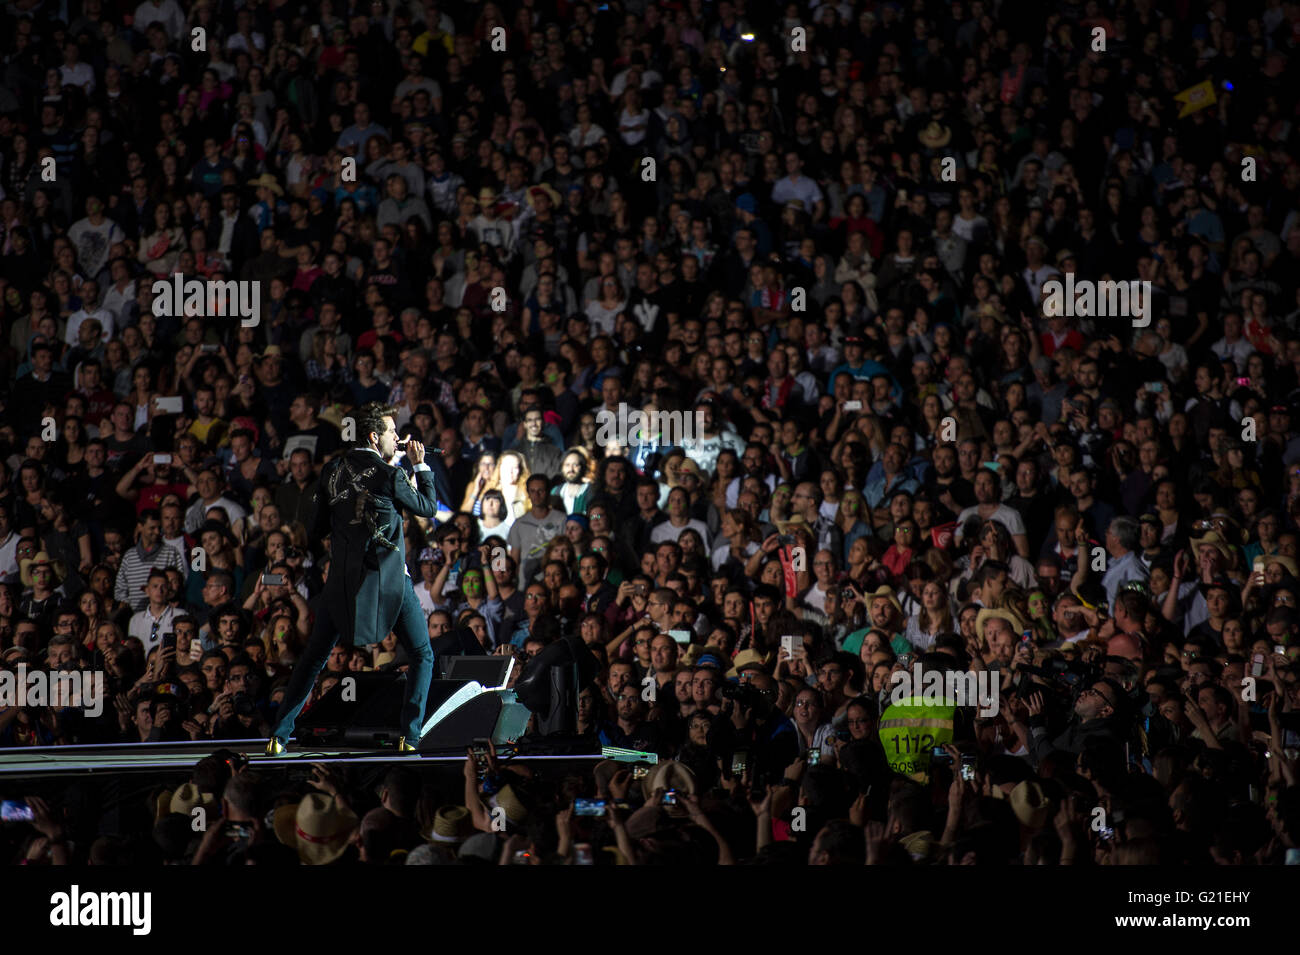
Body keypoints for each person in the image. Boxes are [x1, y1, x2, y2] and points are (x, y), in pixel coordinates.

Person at [266, 403, 437, 753]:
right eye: (392, 433)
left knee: (314, 657)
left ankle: (278, 736)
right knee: (422, 653)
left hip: (342, 581)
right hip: (389, 581)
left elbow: (313, 528)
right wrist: (419, 464)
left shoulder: (331, 470)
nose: (398, 438)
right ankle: (411, 736)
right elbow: (428, 508)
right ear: (375, 437)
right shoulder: (391, 475)